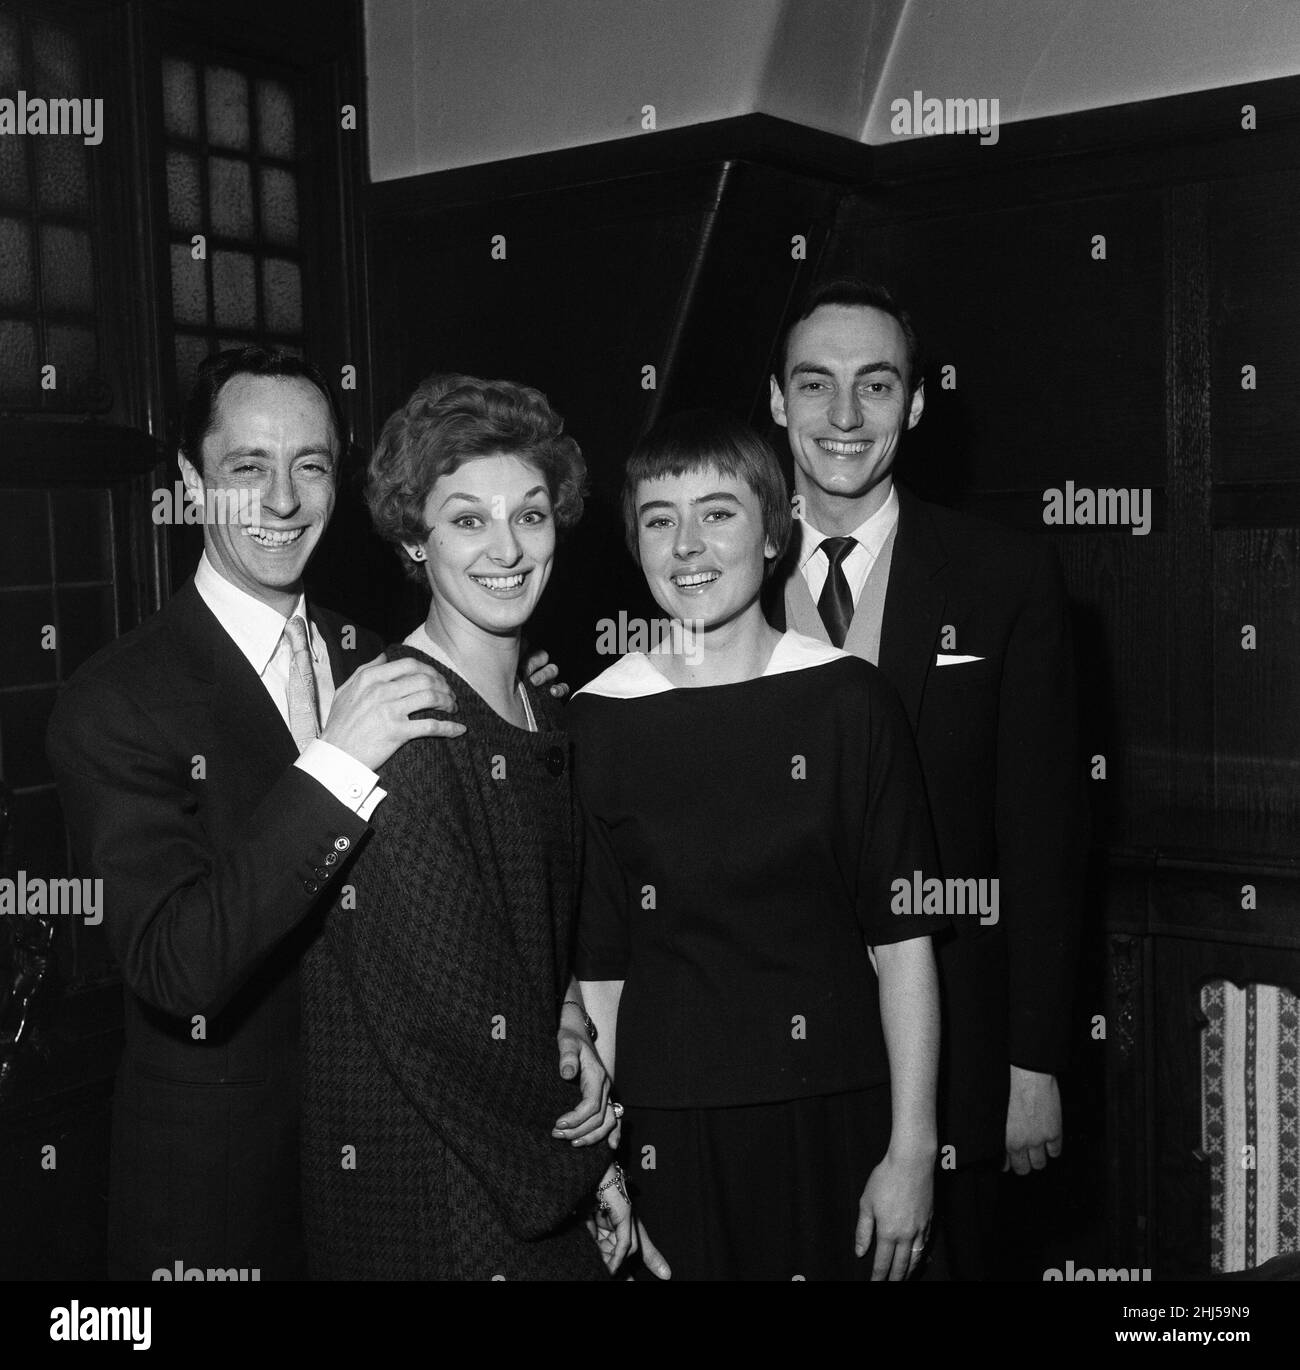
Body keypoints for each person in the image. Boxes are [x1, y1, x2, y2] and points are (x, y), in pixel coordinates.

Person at [45, 347, 604, 1281]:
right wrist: (335, 763)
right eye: (245, 469)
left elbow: (470, 902)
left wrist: (559, 1002)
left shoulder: (379, 656)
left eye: (309, 466)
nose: (282, 500)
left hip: (397, 1176)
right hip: (224, 1203)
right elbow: (174, 965)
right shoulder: (116, 699)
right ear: (189, 483)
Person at [573, 409, 943, 1281]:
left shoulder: (853, 703)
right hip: (673, 1133)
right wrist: (604, 1165)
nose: (689, 545)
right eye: (661, 519)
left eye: (719, 512)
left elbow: (905, 949)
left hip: (840, 1119)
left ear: (775, 530)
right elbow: (601, 971)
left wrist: (914, 1151)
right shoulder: (593, 721)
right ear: (635, 542)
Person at [766, 279, 1087, 1278]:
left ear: (913, 402)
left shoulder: (1003, 575)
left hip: (952, 1053)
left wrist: (1031, 1060)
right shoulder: (706, 563)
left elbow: (1044, 832)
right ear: (777, 401)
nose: (844, 417)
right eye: (816, 386)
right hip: (764, 1051)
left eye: (876, 385)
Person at [301, 374, 635, 1280]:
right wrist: (589, 1159)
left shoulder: (535, 704)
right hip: (438, 1192)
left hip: (509, 1155)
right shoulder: (405, 721)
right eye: (467, 519)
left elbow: (534, 942)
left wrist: (568, 1014)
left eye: (530, 514)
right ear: (414, 537)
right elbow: (452, 1021)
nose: (508, 548)